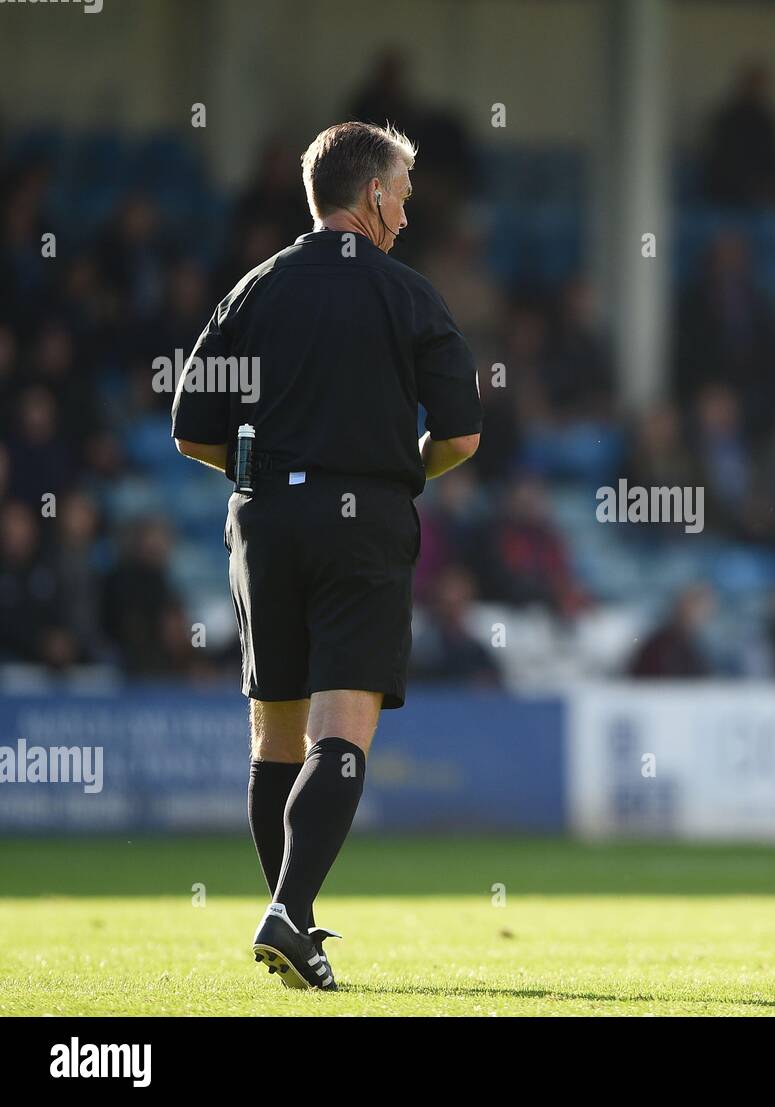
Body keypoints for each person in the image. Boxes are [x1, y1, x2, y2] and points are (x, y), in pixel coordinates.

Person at [171, 122, 481, 990]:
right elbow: (458, 434)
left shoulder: (254, 289)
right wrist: (398, 476)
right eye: (404, 198)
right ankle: (287, 911)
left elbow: (191, 430)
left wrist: (267, 473)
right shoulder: (412, 296)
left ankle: (293, 919)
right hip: (365, 520)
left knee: (275, 734)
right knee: (339, 730)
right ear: (374, 194)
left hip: (265, 519)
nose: (409, 216)